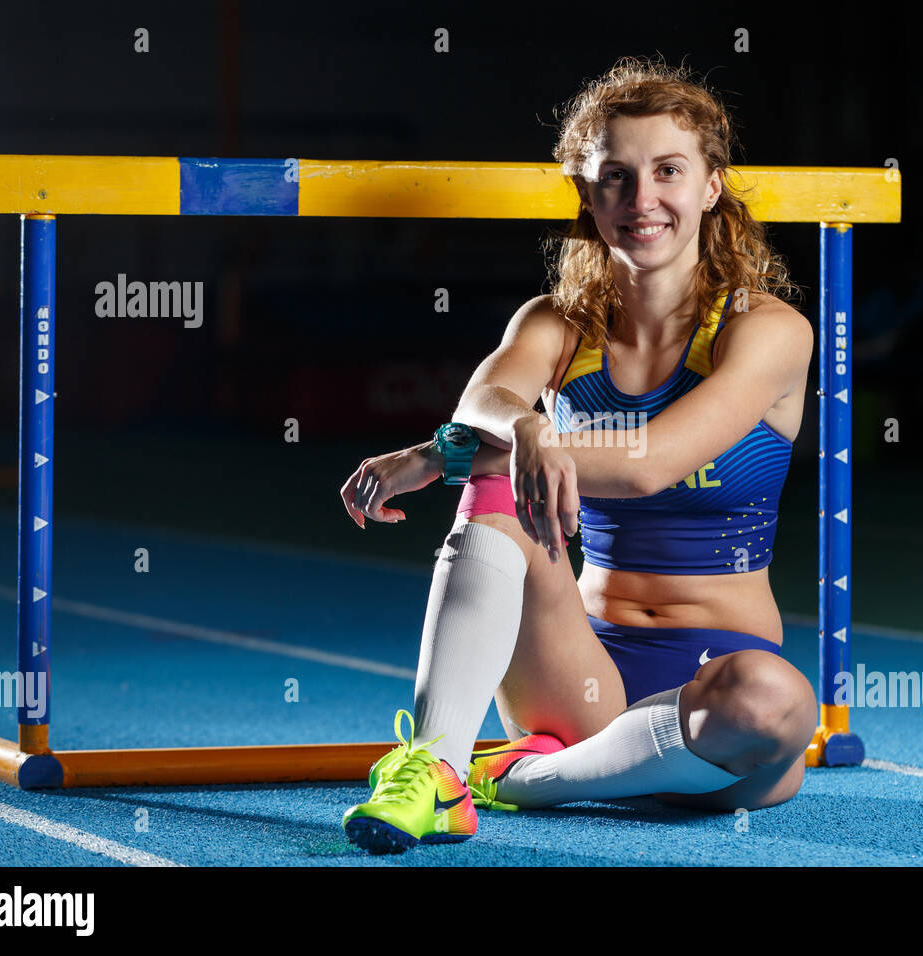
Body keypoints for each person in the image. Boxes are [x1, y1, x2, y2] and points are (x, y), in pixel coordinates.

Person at [337, 57, 817, 854]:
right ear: (588, 197)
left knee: (775, 703)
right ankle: (437, 766)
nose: (642, 199)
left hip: (715, 696)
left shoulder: (766, 331)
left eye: (668, 171)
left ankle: (531, 780)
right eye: (615, 177)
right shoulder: (559, 324)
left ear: (710, 187)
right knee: (504, 492)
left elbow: (647, 463)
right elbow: (484, 400)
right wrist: (521, 431)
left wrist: (440, 455)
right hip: (577, 670)